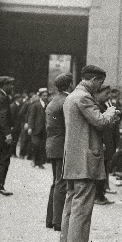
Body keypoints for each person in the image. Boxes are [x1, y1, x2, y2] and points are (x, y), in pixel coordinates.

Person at [59, 65, 119, 242]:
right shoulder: (84, 97)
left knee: (71, 201)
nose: (100, 86)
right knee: (82, 205)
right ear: (93, 80)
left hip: (73, 158)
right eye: (100, 83)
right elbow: (100, 122)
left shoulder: (72, 96)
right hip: (85, 159)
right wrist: (110, 112)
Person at [45, 74, 73, 229]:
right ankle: (57, 221)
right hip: (62, 146)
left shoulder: (54, 100)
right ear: (70, 84)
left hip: (53, 145)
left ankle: (51, 219)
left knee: (56, 182)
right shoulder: (66, 101)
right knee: (61, 183)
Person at [0, 75, 15, 195]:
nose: (12, 87)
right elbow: (2, 117)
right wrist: (8, 134)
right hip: (0, 136)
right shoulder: (3, 98)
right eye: (10, 84)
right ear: (3, 85)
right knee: (4, 159)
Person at [26, 88, 49, 168]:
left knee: (42, 146)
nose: (45, 97)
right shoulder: (35, 105)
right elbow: (31, 116)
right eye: (44, 95)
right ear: (40, 96)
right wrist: (30, 127)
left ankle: (40, 163)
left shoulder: (47, 105)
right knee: (36, 145)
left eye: (46, 95)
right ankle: (34, 160)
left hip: (44, 129)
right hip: (36, 129)